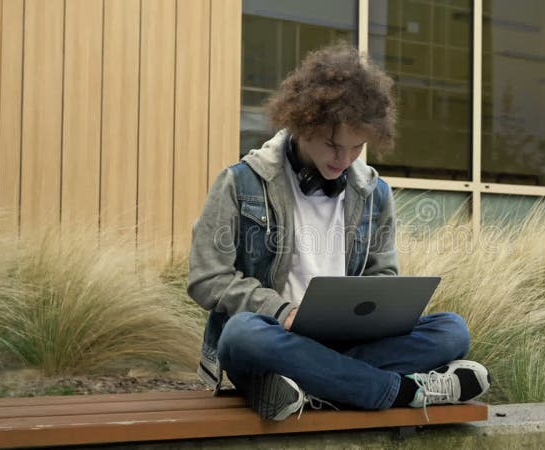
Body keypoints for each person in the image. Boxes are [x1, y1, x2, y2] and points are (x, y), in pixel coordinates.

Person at [187, 43, 490, 421]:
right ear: (301, 124)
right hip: (275, 338)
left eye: (357, 147)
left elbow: (383, 275)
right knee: (241, 335)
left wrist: (372, 316)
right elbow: (207, 278)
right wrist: (282, 312)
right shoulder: (240, 182)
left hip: (342, 344)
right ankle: (405, 390)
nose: (343, 160)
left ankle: (309, 387)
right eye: (332, 145)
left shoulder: (374, 193)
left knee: (452, 331)